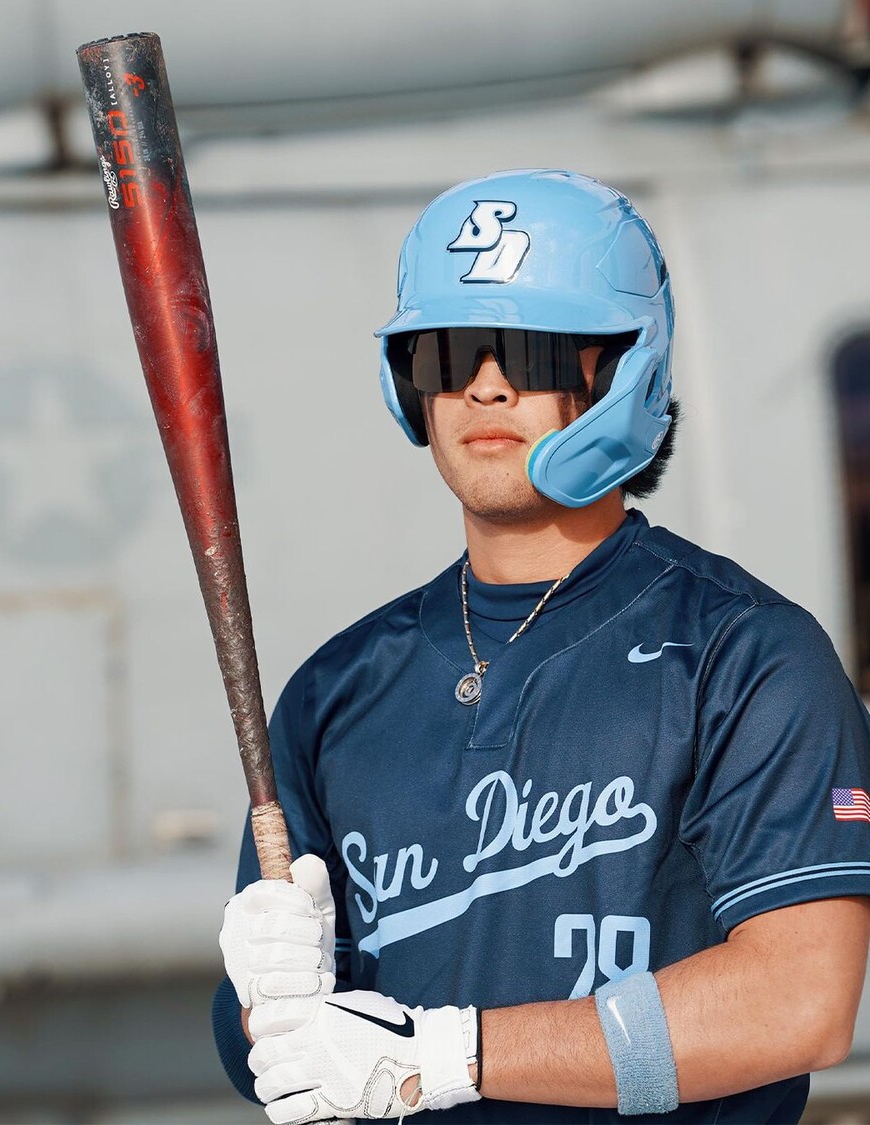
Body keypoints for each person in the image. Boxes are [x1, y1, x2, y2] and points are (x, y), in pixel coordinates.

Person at [212, 169, 870, 1123]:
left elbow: (797, 1003)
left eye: (533, 348)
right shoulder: (336, 690)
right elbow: (267, 1061)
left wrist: (450, 1055)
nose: (486, 382)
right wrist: (268, 1005)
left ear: (623, 371)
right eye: (448, 351)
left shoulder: (744, 653)